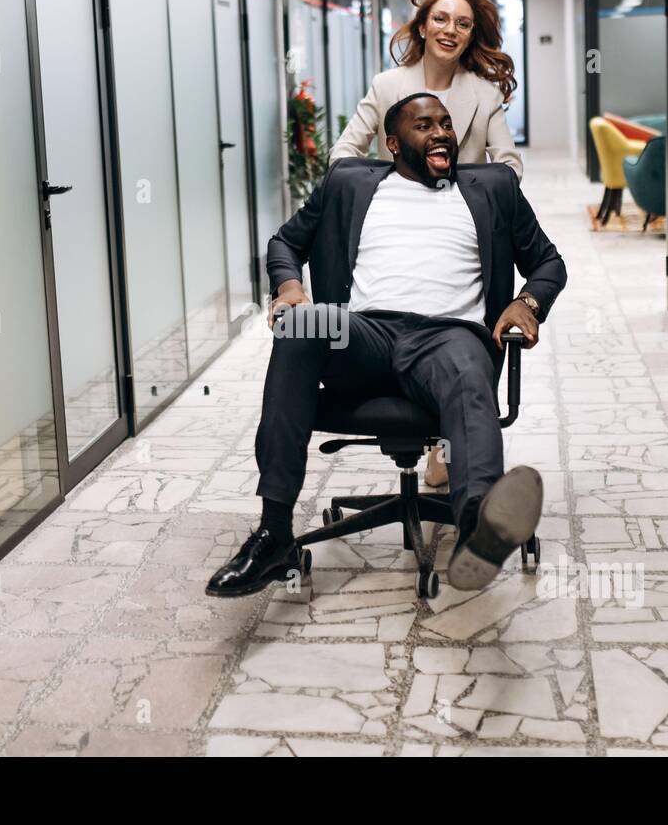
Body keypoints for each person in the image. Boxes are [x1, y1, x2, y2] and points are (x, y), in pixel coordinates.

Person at [206, 93, 566, 598]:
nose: (442, 132)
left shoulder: (493, 187)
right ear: (393, 143)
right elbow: (285, 242)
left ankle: (477, 528)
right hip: (365, 334)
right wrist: (289, 287)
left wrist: (526, 302)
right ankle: (274, 534)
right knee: (302, 326)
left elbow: (549, 262)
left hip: (448, 335)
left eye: (446, 124)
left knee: (467, 369)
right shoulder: (350, 183)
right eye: (425, 125)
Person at [332, 0, 525, 486]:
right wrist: (393, 188)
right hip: (397, 237)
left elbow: (508, 164)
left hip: (460, 234)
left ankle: (452, 446)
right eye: (441, 20)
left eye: (462, 24)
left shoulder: (483, 94)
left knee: (465, 332)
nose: (450, 31)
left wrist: (469, 193)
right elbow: (342, 155)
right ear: (423, 26)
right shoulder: (387, 85)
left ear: (470, 35)